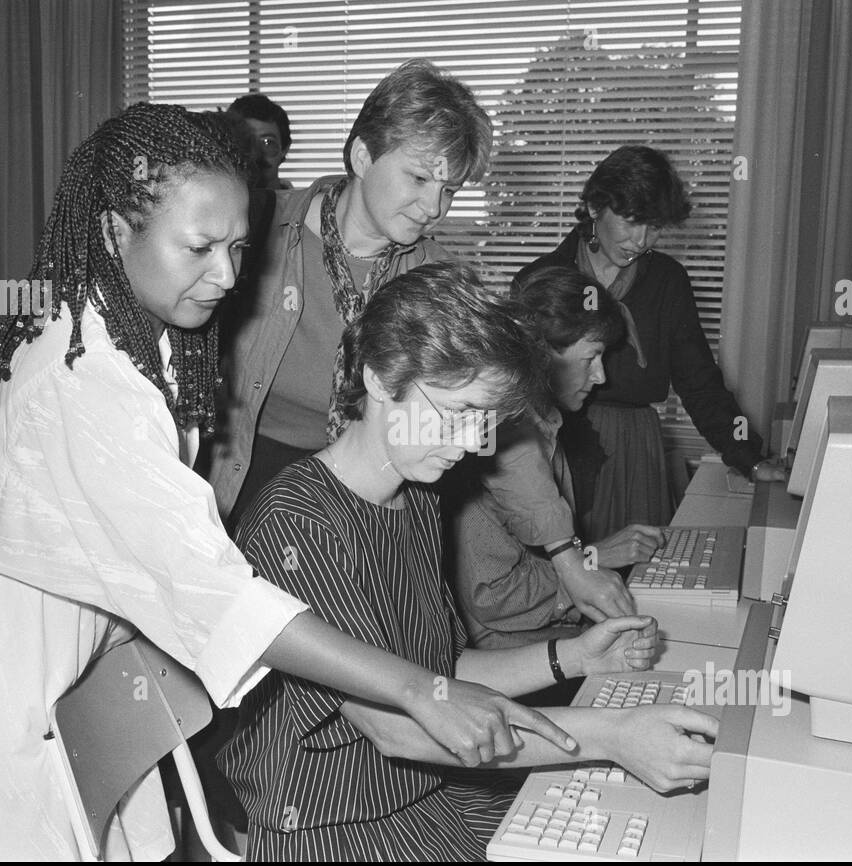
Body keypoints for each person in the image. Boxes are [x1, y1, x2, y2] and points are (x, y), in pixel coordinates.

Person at [0, 103, 573, 862]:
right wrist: (419, 688)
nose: (225, 275)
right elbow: (220, 596)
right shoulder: (79, 379)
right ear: (118, 230)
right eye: (200, 247)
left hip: (92, 620)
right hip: (18, 638)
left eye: (238, 248)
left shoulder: (126, 322)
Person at [220, 264, 718, 861]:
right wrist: (610, 737)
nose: (468, 443)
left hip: (425, 791)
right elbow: (400, 727)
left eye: (484, 421)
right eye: (457, 412)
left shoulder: (418, 497)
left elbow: (442, 671)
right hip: (332, 822)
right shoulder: (296, 523)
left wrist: (575, 656)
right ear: (380, 378)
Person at [206, 59, 633, 624]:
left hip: (373, 503)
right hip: (247, 485)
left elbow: (501, 427)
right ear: (362, 156)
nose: (434, 207)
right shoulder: (253, 232)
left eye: (449, 188)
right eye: (418, 178)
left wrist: (566, 557)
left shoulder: (434, 278)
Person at [515, 145, 785, 542]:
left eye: (654, 226)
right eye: (631, 221)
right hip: (552, 448)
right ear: (594, 206)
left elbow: (700, 385)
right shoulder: (540, 280)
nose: (641, 240)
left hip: (632, 452)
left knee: (636, 582)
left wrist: (753, 460)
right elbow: (514, 389)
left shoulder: (667, 281)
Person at [448, 267, 669, 647]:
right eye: (592, 358)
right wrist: (594, 558)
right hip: (501, 653)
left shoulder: (547, 425)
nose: (601, 377)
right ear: (543, 355)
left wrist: (592, 558)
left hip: (543, 630)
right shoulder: (497, 443)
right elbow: (493, 596)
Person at [226, 93, 293, 189]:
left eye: (267, 142)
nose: (256, 153)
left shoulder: (307, 203)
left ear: (284, 149)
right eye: (245, 141)